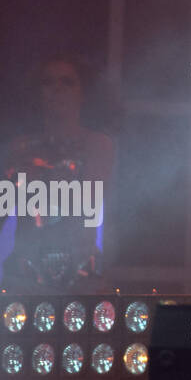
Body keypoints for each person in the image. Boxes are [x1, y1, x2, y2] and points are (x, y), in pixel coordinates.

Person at [1, 54, 114, 291]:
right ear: (38, 92)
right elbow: (3, 206)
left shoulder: (97, 144)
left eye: (67, 82)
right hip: (25, 274)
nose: (57, 89)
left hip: (80, 271)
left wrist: (39, 175)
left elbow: (88, 200)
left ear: (82, 93)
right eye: (48, 82)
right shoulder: (18, 147)